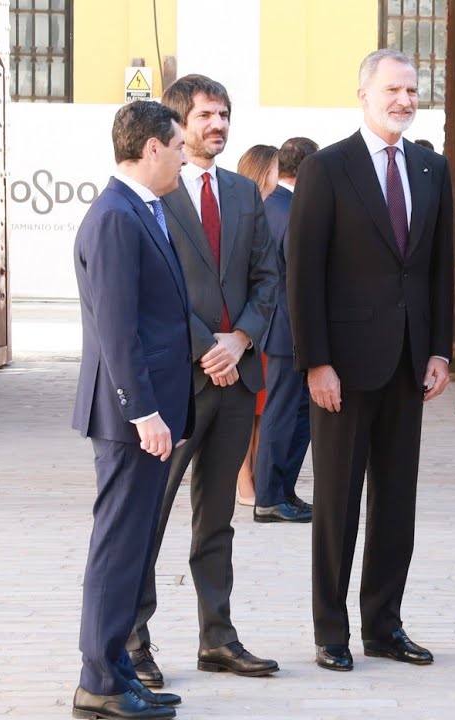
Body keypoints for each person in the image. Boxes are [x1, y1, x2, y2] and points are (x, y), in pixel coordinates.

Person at [287, 48, 454, 673]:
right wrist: (315, 362)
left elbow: (440, 269)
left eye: (412, 90)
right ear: (364, 94)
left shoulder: (433, 169)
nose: (404, 100)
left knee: (396, 503)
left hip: (410, 363)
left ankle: (384, 624)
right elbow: (302, 273)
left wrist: (440, 349)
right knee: (336, 501)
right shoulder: (328, 169)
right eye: (393, 89)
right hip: (344, 367)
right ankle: (331, 630)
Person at [128, 74, 281, 687]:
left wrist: (239, 340)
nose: (218, 125)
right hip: (178, 384)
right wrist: (205, 348)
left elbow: (269, 277)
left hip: (237, 379)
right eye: (206, 116)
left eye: (224, 114)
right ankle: (133, 641)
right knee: (151, 516)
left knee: (216, 518)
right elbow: (152, 291)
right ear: (176, 125)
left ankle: (217, 637)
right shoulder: (155, 193)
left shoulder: (246, 194)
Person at [70, 100, 190, 720]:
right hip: (130, 421)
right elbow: (117, 330)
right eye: (178, 147)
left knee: (131, 546)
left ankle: (117, 669)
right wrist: (144, 412)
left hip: (146, 416)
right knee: (118, 548)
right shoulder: (118, 216)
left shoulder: (141, 208)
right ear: (150, 149)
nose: (184, 157)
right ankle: (99, 682)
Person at [253, 136, 320, 524]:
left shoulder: (273, 204)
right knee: (284, 413)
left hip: (279, 326)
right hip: (288, 328)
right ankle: (271, 496)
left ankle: (280, 493)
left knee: (291, 412)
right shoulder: (293, 210)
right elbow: (300, 276)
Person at [232, 143, 282, 508]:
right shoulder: (251, 210)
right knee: (249, 409)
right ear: (266, 170)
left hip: (268, 321)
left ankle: (251, 474)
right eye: (278, 167)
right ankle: (242, 478)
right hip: (252, 323)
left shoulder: (266, 207)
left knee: (261, 409)